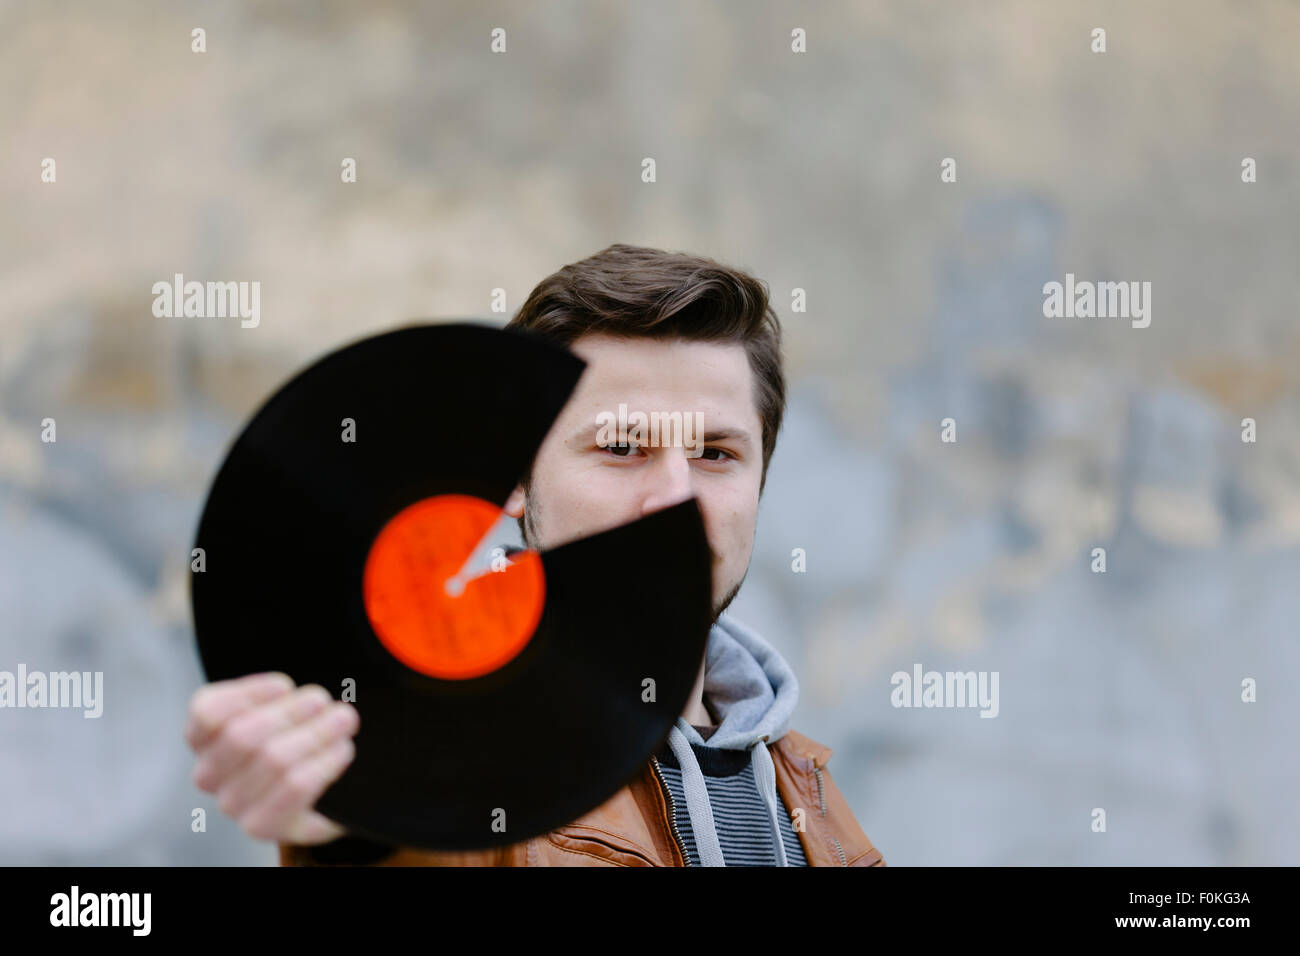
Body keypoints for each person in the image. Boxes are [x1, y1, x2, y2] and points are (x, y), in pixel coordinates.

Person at [184, 244, 886, 867]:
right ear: (514, 482)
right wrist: (343, 832)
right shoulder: (454, 765)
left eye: (715, 453)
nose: (674, 497)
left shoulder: (815, 797)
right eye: (621, 447)